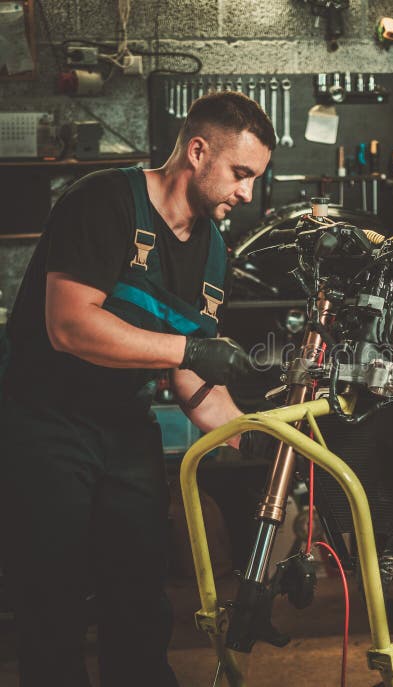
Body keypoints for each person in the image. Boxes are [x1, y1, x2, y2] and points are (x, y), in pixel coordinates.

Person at [0, 91, 276, 686]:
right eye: (241, 174)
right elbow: (70, 325)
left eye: (254, 179)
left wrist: (254, 441)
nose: (247, 193)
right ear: (198, 152)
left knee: (139, 595)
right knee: (54, 599)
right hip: (45, 421)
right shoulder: (104, 199)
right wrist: (191, 348)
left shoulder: (212, 250)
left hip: (124, 425)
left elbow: (191, 380)